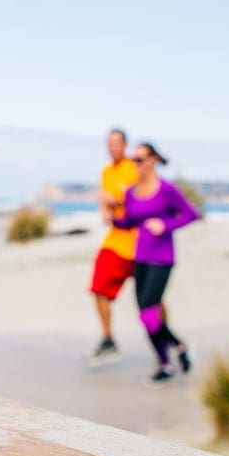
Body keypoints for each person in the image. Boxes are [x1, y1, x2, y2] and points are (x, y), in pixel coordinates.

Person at [113, 142, 200, 385]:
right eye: (134, 160)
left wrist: (166, 225)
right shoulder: (130, 192)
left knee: (149, 312)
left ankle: (174, 351)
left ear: (152, 160)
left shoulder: (167, 190)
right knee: (144, 314)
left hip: (162, 258)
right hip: (140, 257)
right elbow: (128, 222)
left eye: (140, 159)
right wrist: (112, 218)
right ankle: (169, 358)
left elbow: (192, 214)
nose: (136, 164)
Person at [84, 128, 138, 365]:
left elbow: (134, 201)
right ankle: (108, 340)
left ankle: (169, 343)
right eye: (108, 143)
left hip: (139, 242)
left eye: (116, 143)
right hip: (115, 241)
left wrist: (112, 201)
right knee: (98, 288)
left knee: (151, 301)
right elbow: (106, 203)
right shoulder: (106, 172)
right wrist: (106, 210)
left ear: (125, 145)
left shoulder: (133, 168)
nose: (111, 147)